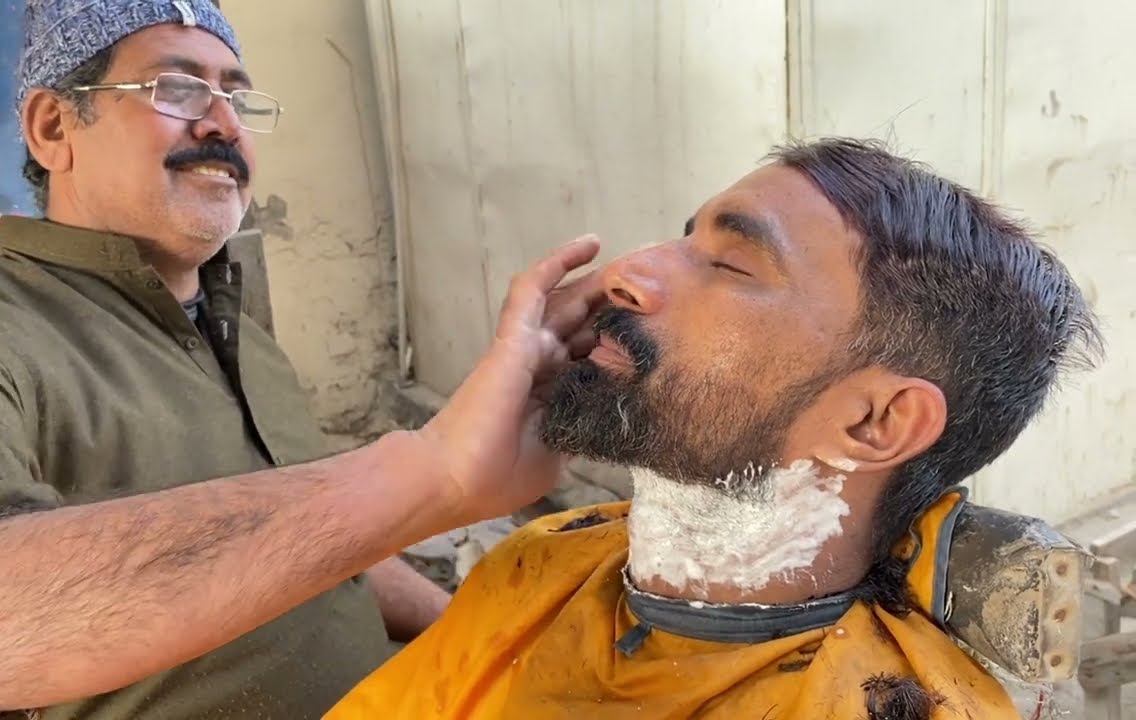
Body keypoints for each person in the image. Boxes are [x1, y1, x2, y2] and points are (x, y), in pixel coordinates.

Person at [0, 2, 605, 718]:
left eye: (238, 98)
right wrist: (427, 471)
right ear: (54, 127)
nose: (223, 124)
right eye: (177, 88)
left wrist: (466, 633)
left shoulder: (235, 331)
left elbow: (312, 538)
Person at [325, 138, 1104, 720]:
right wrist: (435, 476)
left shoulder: (888, 704)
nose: (625, 272)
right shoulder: (541, 560)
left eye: (732, 266)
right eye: (685, 237)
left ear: (873, 422)